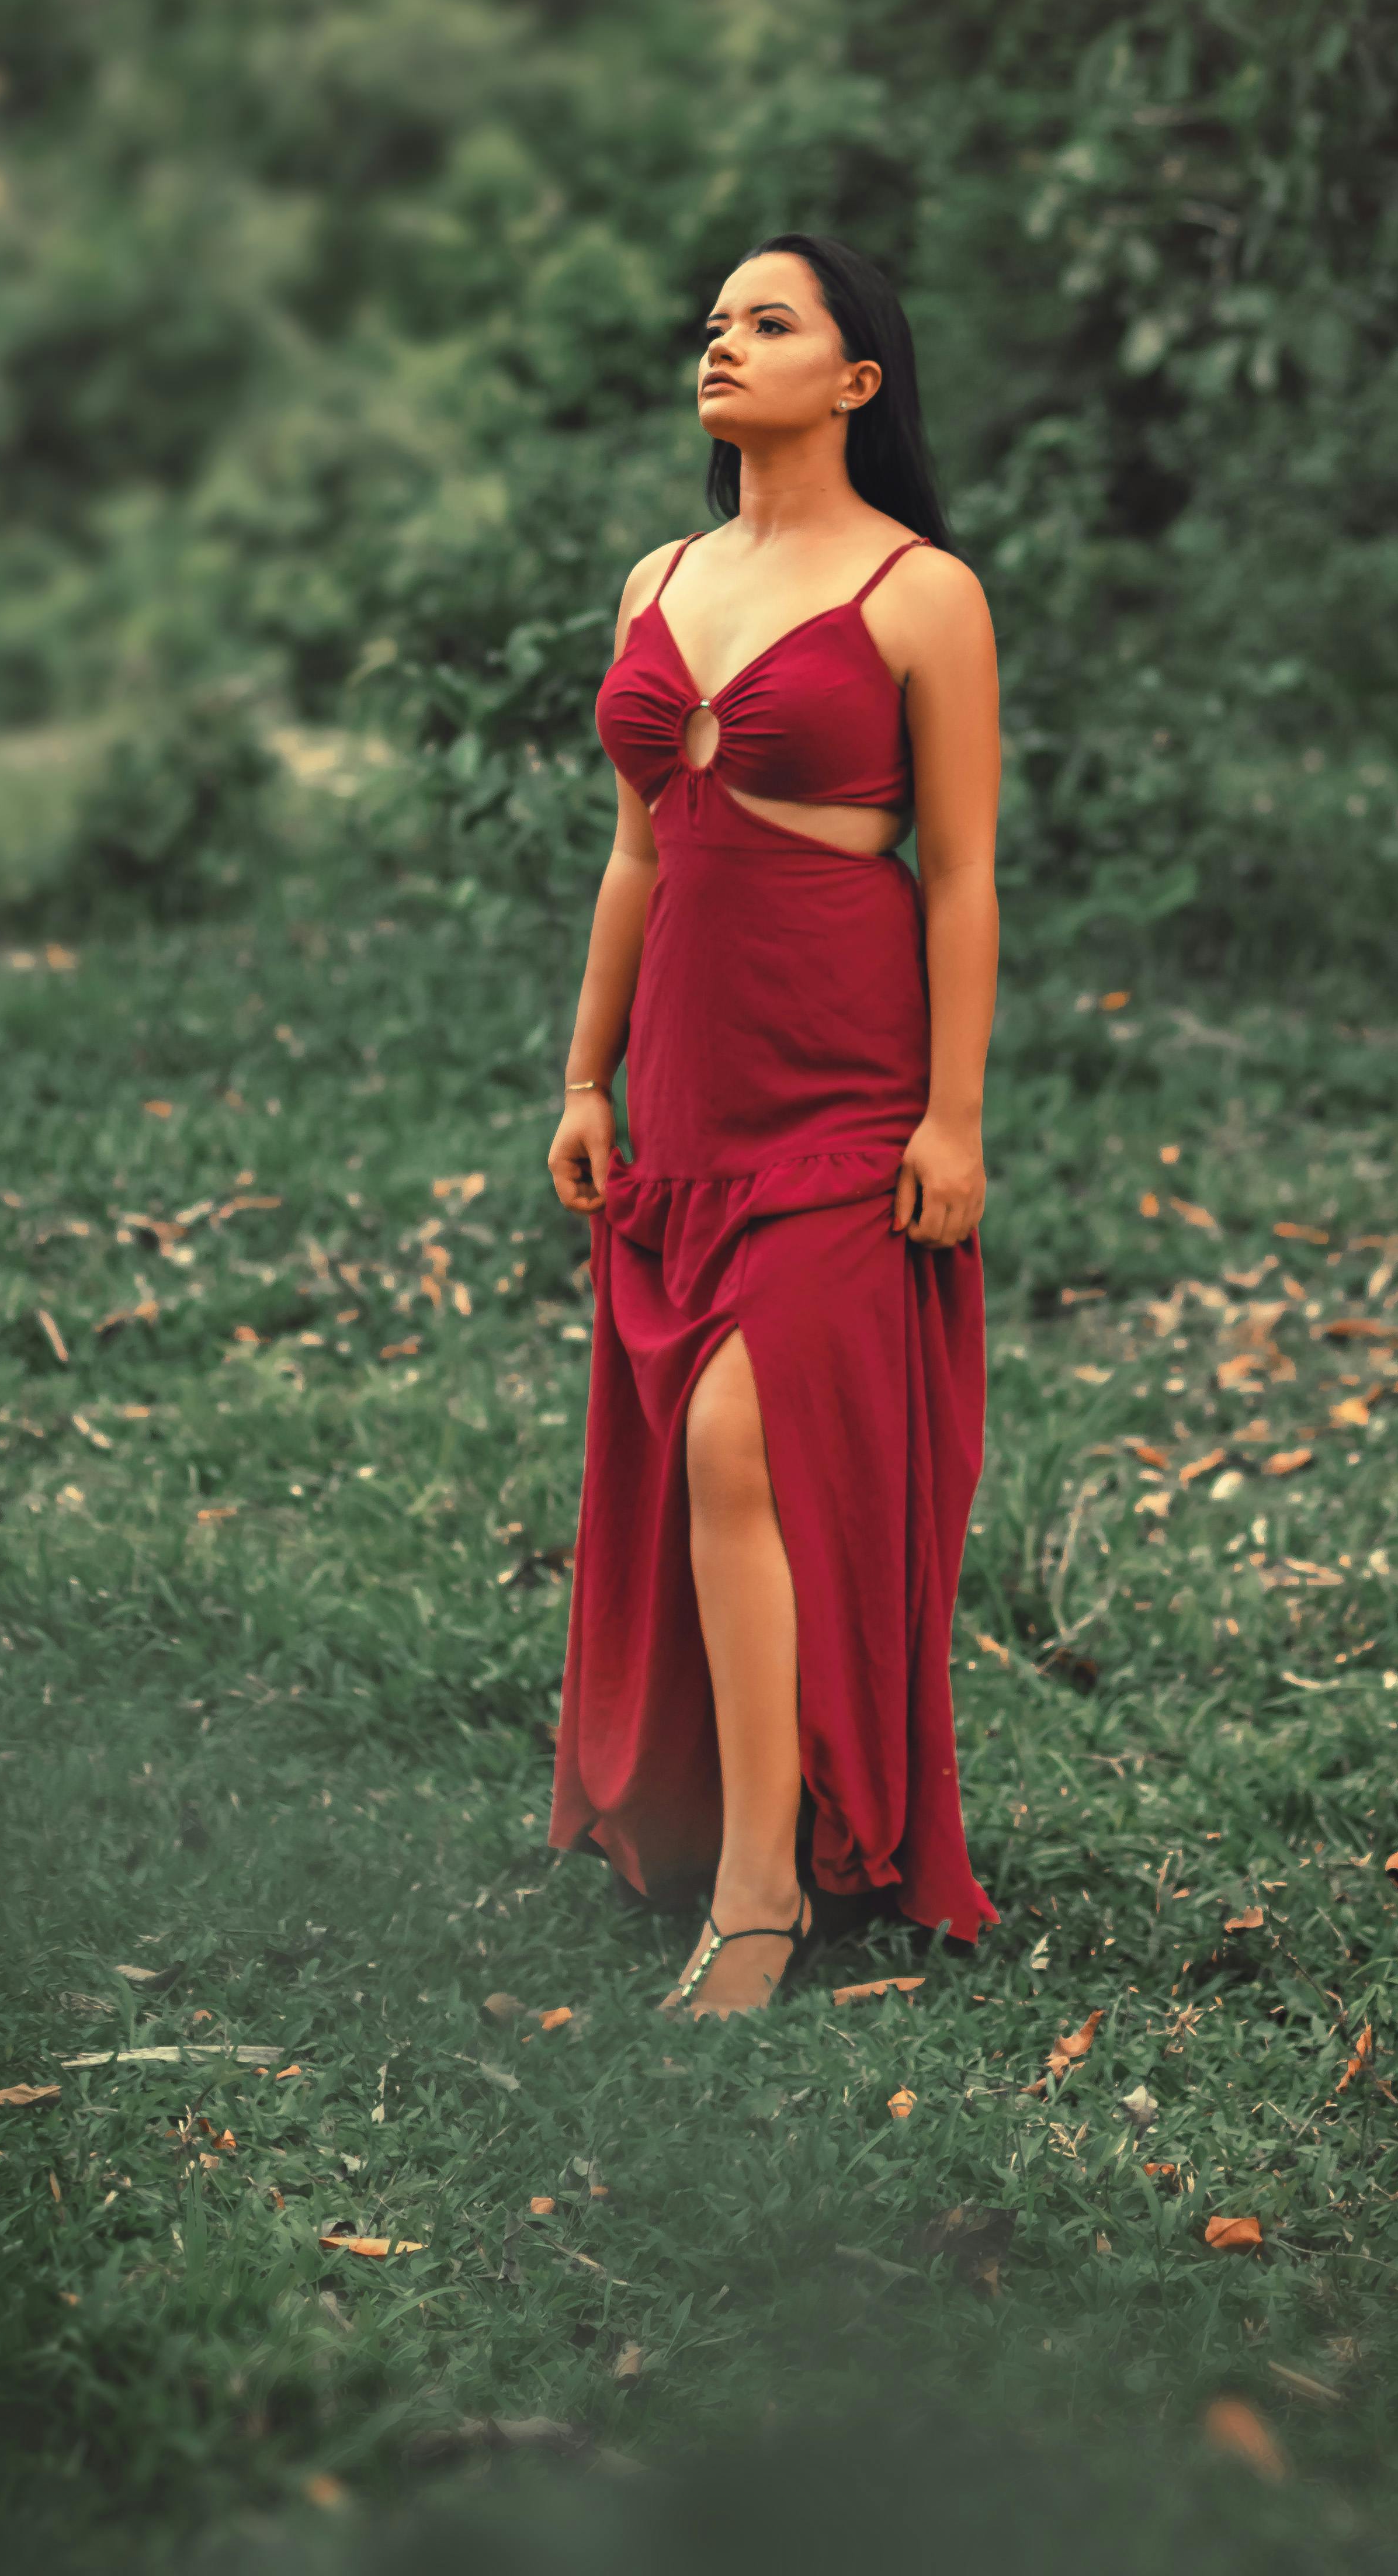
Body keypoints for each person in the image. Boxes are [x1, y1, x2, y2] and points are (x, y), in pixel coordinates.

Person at [545, 235, 1001, 2017]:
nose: (722, 343)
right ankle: (747, 1826)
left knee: (746, 1441)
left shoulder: (920, 592)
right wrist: (587, 1077)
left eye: (770, 321)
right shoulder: (660, 578)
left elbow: (959, 876)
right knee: (700, 1451)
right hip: (691, 1075)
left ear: (856, 379)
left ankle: (763, 1895)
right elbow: (637, 852)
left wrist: (953, 1119)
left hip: (847, 1070)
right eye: (717, 321)